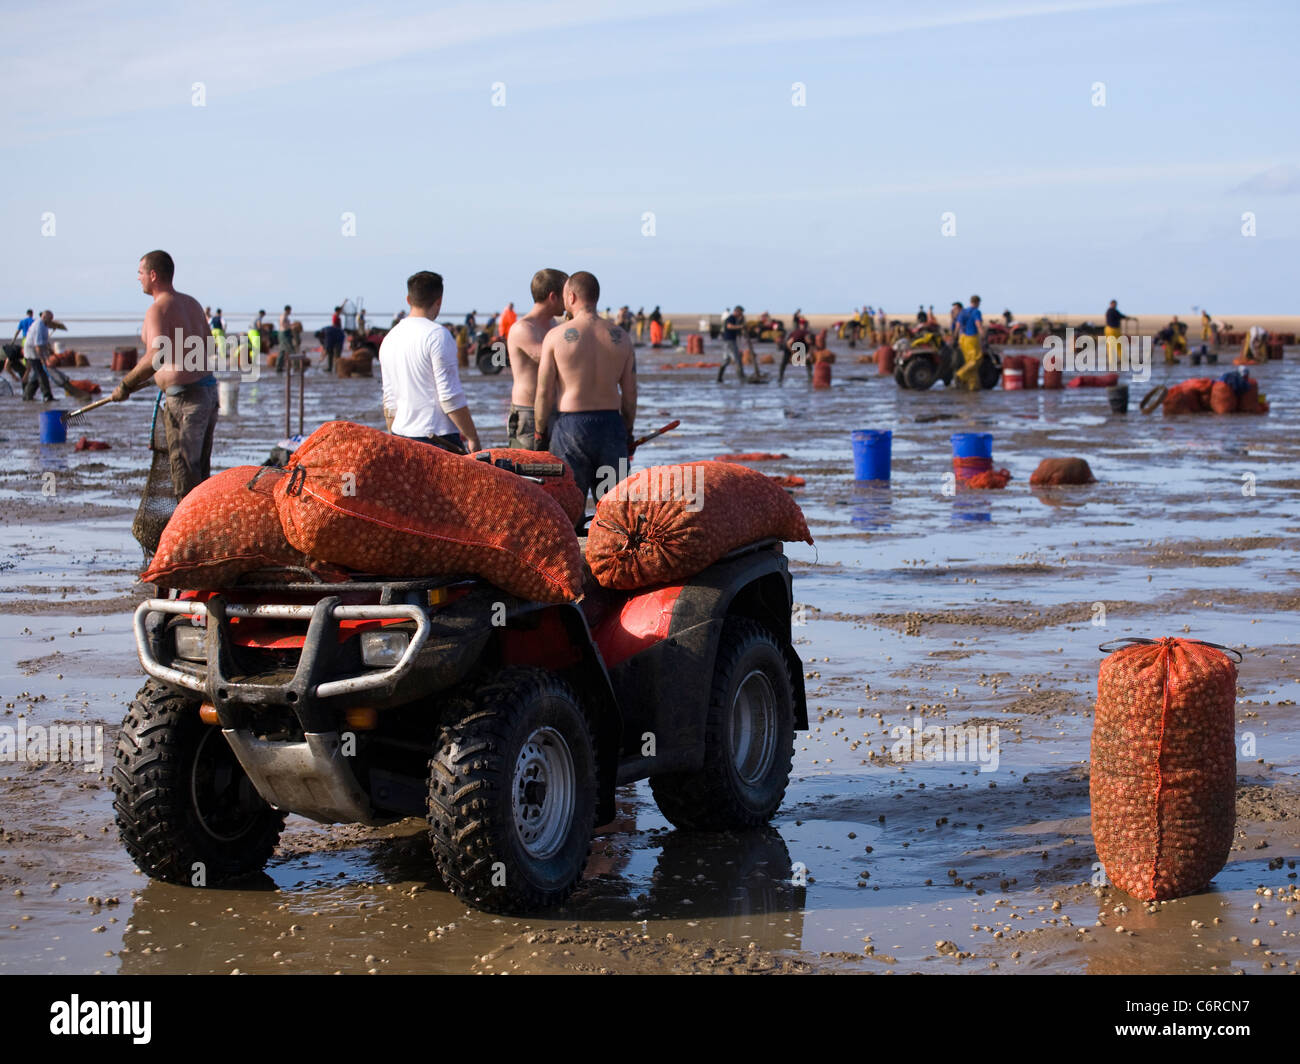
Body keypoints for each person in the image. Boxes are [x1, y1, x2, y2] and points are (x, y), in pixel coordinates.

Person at [111, 251, 218, 500]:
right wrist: (160, 377)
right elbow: (207, 347)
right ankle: (198, 530)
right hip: (207, 395)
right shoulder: (192, 303)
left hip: (186, 402)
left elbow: (156, 356)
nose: (138, 278)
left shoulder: (157, 309)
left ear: (153, 275)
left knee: (185, 477)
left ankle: (190, 535)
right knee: (200, 472)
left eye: (140, 273)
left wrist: (126, 384)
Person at [534, 271, 636, 505]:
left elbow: (543, 392)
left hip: (571, 427)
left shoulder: (555, 337)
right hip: (611, 425)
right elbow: (630, 395)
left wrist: (540, 433)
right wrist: (628, 430)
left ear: (570, 297)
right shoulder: (621, 337)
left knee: (569, 503)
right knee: (614, 507)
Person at [379, 270, 480, 454]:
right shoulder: (438, 335)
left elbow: (389, 401)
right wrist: (473, 438)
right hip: (438, 438)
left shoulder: (390, 338)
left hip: (400, 434)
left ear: (408, 299)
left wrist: (393, 436)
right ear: (439, 301)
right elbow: (449, 397)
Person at [506, 268, 567, 449]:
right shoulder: (523, 328)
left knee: (555, 470)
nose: (569, 301)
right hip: (528, 413)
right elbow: (553, 362)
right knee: (527, 471)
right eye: (566, 295)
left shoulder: (552, 324)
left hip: (553, 410)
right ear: (553, 297)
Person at [21, 309, 56, 401]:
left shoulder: (44, 325)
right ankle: (47, 396)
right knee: (41, 374)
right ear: (44, 317)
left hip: (37, 352)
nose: (51, 321)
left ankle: (27, 395)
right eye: (50, 319)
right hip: (32, 352)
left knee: (37, 373)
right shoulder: (39, 326)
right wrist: (42, 359)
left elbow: (44, 342)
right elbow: (37, 345)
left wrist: (49, 351)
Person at [717, 304, 756, 383]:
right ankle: (742, 378)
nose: (741, 315)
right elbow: (729, 326)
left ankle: (719, 378)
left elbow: (739, 332)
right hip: (729, 342)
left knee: (726, 360)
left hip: (727, 342)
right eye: (741, 313)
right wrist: (740, 326)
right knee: (737, 359)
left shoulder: (736, 320)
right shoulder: (731, 318)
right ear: (737, 312)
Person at [953, 294, 984, 390]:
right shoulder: (976, 312)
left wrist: (955, 338)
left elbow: (957, 326)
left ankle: (973, 386)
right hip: (971, 338)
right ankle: (960, 374)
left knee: (969, 362)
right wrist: (983, 335)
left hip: (962, 339)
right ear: (977, 302)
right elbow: (978, 324)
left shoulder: (963, 312)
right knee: (976, 360)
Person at [779, 318, 814, 384]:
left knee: (808, 361)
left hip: (801, 345)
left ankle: (810, 377)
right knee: (784, 362)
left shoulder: (809, 335)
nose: (804, 326)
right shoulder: (798, 334)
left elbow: (811, 346)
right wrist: (794, 354)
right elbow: (788, 343)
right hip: (789, 346)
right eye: (802, 324)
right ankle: (780, 378)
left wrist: (809, 355)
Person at [1103, 299, 1127, 371]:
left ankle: (1115, 360)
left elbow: (1120, 316)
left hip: (1109, 329)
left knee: (1113, 345)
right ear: (1112, 304)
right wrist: (1126, 317)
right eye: (1114, 304)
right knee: (1116, 345)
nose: (1115, 305)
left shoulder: (1109, 311)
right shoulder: (1113, 311)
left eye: (1115, 304)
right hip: (1113, 330)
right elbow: (1121, 316)